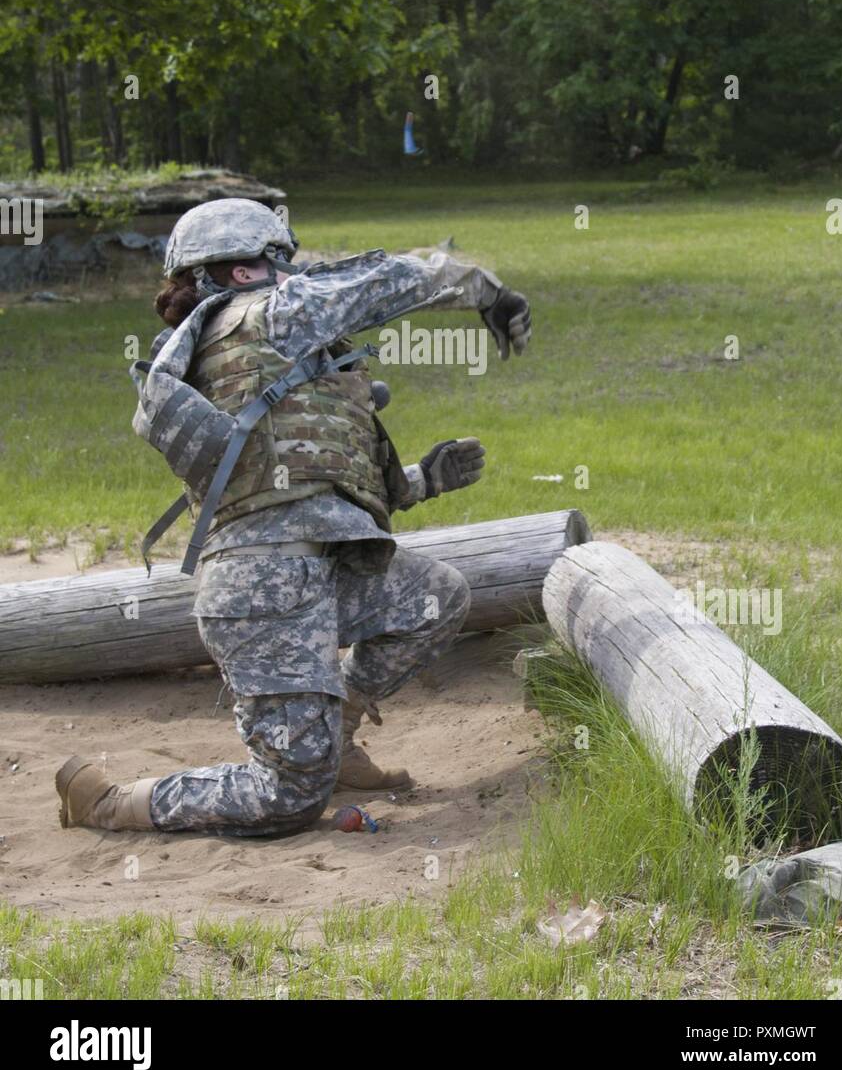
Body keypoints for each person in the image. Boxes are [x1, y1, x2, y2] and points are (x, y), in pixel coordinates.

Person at [56, 199, 531, 837]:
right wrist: (486, 290)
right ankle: (109, 802)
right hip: (262, 594)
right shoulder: (272, 313)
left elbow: (303, 485)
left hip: (314, 568)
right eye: (281, 259)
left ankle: (338, 737)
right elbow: (389, 280)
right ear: (246, 269)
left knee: (435, 597)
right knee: (289, 797)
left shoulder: (241, 350)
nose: (292, 271)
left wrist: (421, 480)